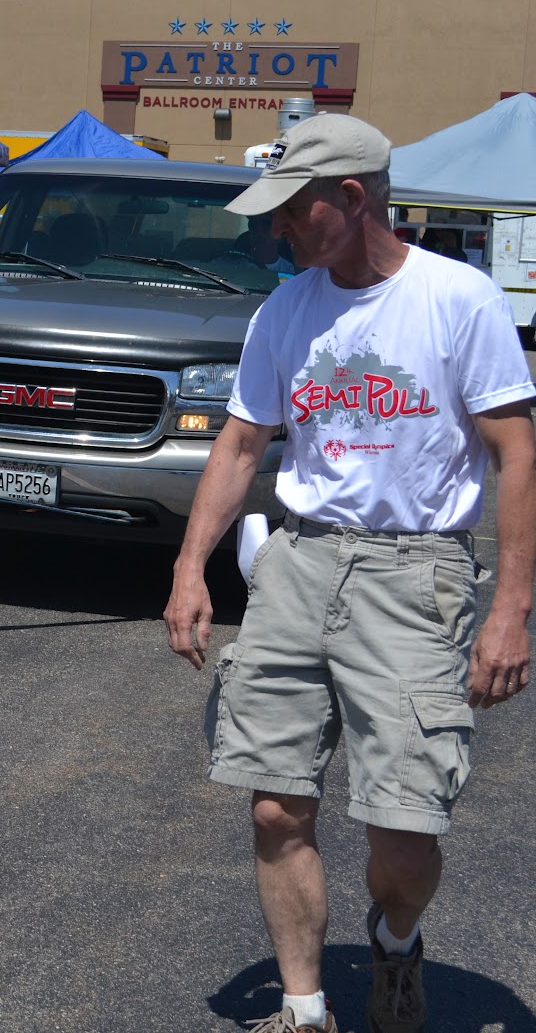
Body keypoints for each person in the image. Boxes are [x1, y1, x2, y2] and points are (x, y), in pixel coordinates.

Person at [163, 114, 536, 1033]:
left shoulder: (461, 299)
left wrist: (512, 611)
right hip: (298, 561)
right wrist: (189, 567)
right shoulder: (285, 309)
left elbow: (516, 457)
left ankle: (396, 938)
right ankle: (303, 1008)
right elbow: (242, 443)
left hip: (418, 575)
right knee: (272, 802)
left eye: (292, 212)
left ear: (352, 198)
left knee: (406, 830)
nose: (277, 231)